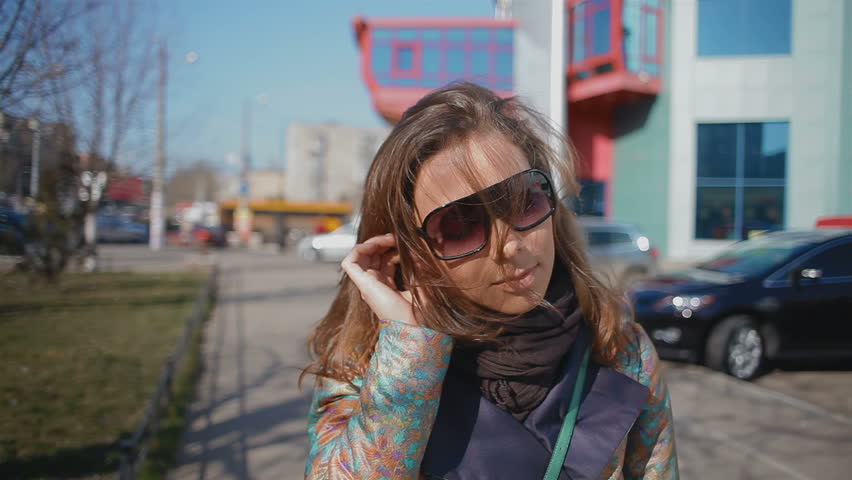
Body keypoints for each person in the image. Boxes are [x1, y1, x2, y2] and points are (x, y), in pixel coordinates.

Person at [301, 83, 678, 479]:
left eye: (524, 201)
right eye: (462, 224)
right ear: (411, 251)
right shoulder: (365, 364)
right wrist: (411, 351)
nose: (511, 248)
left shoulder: (619, 346)